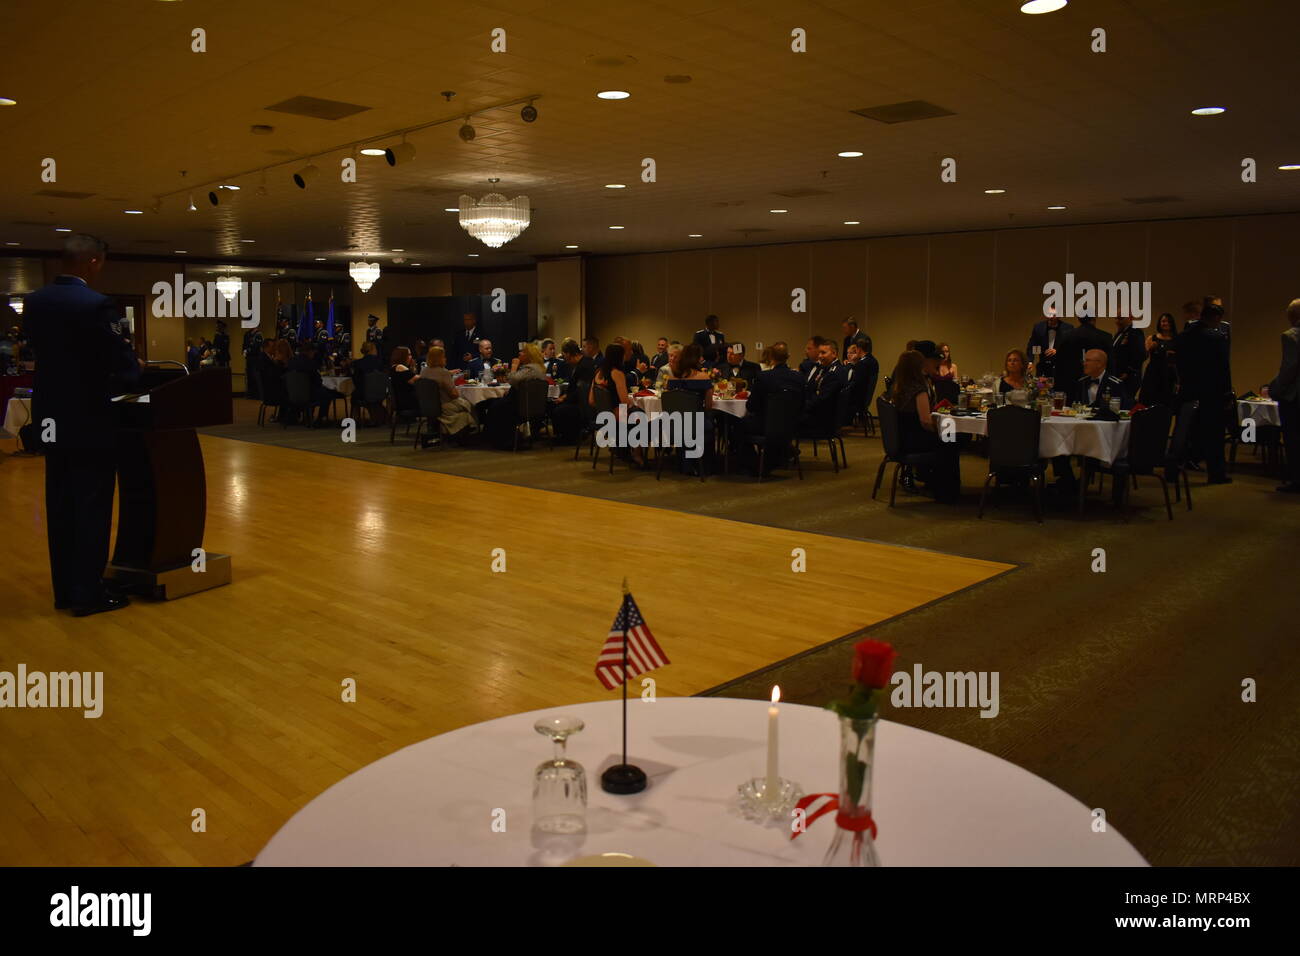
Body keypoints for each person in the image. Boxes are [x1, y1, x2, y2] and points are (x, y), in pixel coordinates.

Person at [25, 233, 140, 616]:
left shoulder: (35, 302)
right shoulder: (97, 304)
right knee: (92, 505)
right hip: (89, 418)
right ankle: (88, 593)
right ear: (93, 262)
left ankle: (66, 590)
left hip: (50, 418)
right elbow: (124, 367)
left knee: (60, 504)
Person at [889, 350, 958, 503]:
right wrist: (941, 431)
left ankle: (933, 481)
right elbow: (925, 421)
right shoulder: (918, 389)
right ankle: (946, 490)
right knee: (951, 440)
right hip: (915, 441)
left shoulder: (900, 387)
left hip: (902, 438)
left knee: (949, 435)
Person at [1175, 302, 1233, 484]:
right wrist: (1226, 393)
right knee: (1214, 434)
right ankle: (1216, 474)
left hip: (1189, 390)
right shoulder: (1216, 338)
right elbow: (1224, 368)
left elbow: (1179, 363)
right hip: (1212, 392)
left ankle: (1172, 470)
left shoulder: (1185, 336)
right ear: (1215, 318)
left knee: (1184, 432)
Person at [1264, 298, 1300, 493]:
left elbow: (1290, 368)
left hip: (1294, 397)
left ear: (1292, 316)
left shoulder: (1290, 336)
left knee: (1293, 439)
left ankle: (1296, 480)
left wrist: (1274, 388)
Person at [590, 342, 646, 466]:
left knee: (636, 413)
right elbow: (624, 401)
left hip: (601, 417)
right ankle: (637, 454)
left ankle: (623, 450)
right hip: (615, 416)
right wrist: (632, 402)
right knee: (641, 416)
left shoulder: (598, 373)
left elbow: (591, 401)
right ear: (619, 357)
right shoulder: (617, 373)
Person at [417, 346, 476, 442]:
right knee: (470, 405)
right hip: (444, 406)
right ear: (440, 358)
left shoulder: (424, 371)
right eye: (444, 356)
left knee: (465, 404)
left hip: (427, 407)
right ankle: (470, 434)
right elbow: (454, 395)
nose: (446, 358)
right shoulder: (443, 373)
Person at [550, 340, 595, 443]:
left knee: (557, 409)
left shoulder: (583, 366)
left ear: (569, 354)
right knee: (553, 405)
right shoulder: (585, 362)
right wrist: (565, 396)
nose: (565, 359)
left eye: (565, 355)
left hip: (582, 405)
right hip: (579, 400)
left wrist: (565, 398)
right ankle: (563, 434)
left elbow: (581, 390)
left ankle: (568, 437)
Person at [288, 344, 342, 426]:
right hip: (309, 394)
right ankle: (321, 418)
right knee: (327, 394)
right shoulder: (310, 363)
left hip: (292, 394)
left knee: (319, 391)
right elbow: (317, 381)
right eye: (313, 353)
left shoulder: (291, 361)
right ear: (310, 352)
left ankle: (307, 417)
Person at [1054, 313, 1110, 385]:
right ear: (1094, 318)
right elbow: (1109, 364)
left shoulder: (1066, 336)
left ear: (1078, 318)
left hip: (1071, 382)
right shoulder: (1105, 337)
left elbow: (1060, 363)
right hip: (1098, 381)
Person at [1139, 312, 1179, 407]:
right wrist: (1149, 348)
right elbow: (1144, 357)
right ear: (1159, 323)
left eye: (1168, 321)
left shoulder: (1177, 339)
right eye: (1163, 321)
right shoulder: (1152, 338)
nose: (1166, 323)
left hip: (1168, 374)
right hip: (1153, 373)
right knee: (1149, 400)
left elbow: (1180, 359)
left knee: (1165, 402)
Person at [1026, 310, 1073, 381]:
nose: (1050, 317)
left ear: (1059, 316)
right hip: (1043, 367)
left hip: (1061, 368)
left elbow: (1071, 348)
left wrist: (1058, 351)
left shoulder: (1068, 328)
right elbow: (1032, 345)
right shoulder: (1038, 328)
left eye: (1053, 315)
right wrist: (1030, 362)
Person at [1108, 314, 1146, 399]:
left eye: (1121, 318)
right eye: (1116, 318)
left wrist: (1128, 372)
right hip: (1118, 376)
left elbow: (1140, 355)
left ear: (1130, 318)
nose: (1117, 321)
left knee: (1126, 403)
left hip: (1128, 377)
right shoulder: (1119, 333)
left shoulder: (1135, 332)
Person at [389, 346, 420, 417]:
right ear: (402, 356)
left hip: (402, 400)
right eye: (409, 355)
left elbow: (412, 380)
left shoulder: (394, 367)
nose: (411, 357)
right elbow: (417, 378)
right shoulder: (399, 367)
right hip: (406, 402)